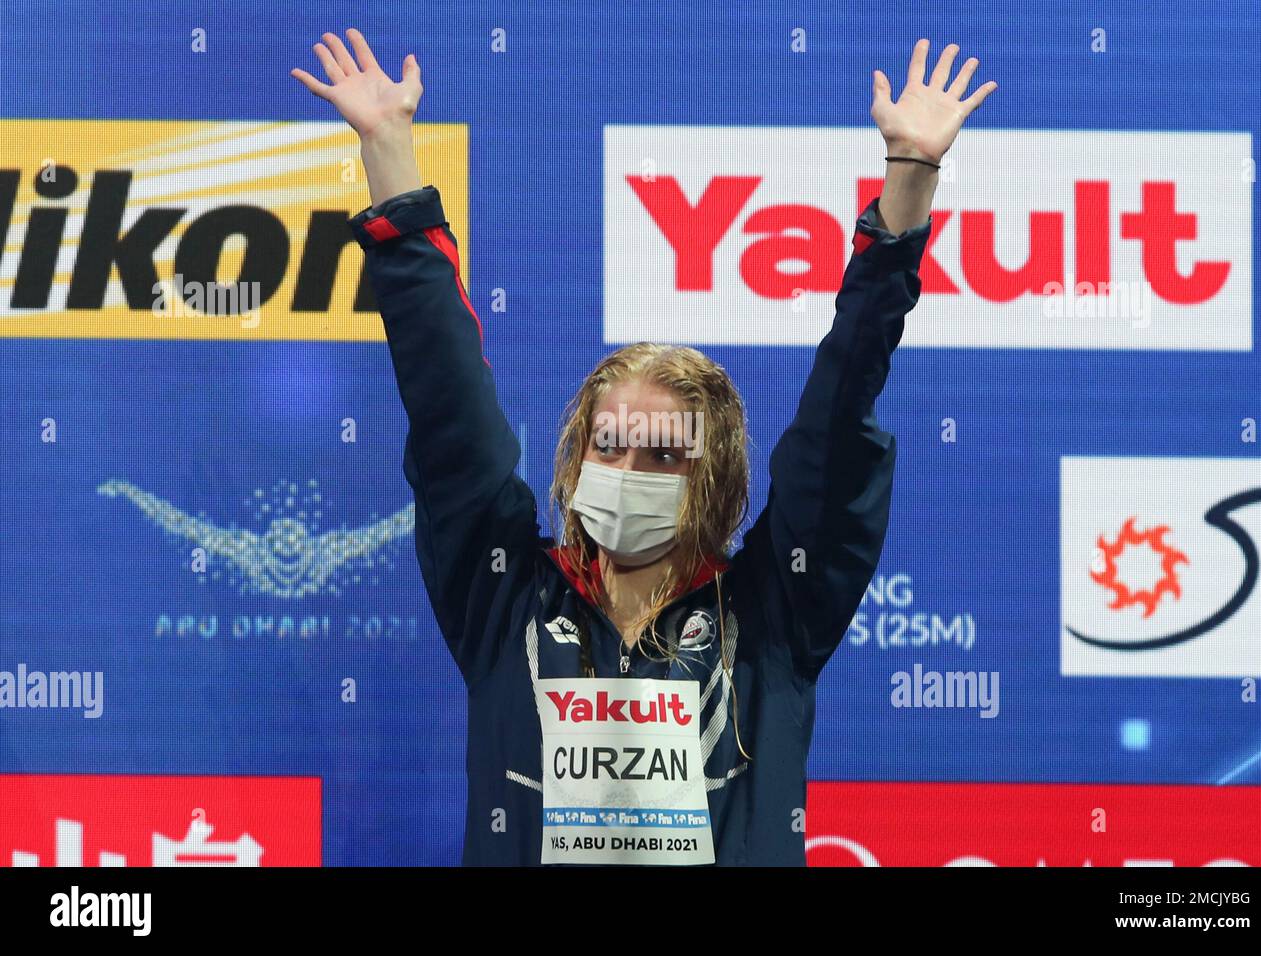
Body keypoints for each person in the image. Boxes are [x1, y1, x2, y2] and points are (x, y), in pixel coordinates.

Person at [293, 28, 996, 866]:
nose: (629, 471)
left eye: (665, 454)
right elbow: (450, 410)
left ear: (716, 478)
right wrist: (389, 153)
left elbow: (836, 427)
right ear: (577, 457)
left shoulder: (776, 615)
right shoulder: (503, 597)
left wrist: (908, 182)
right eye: (613, 445)